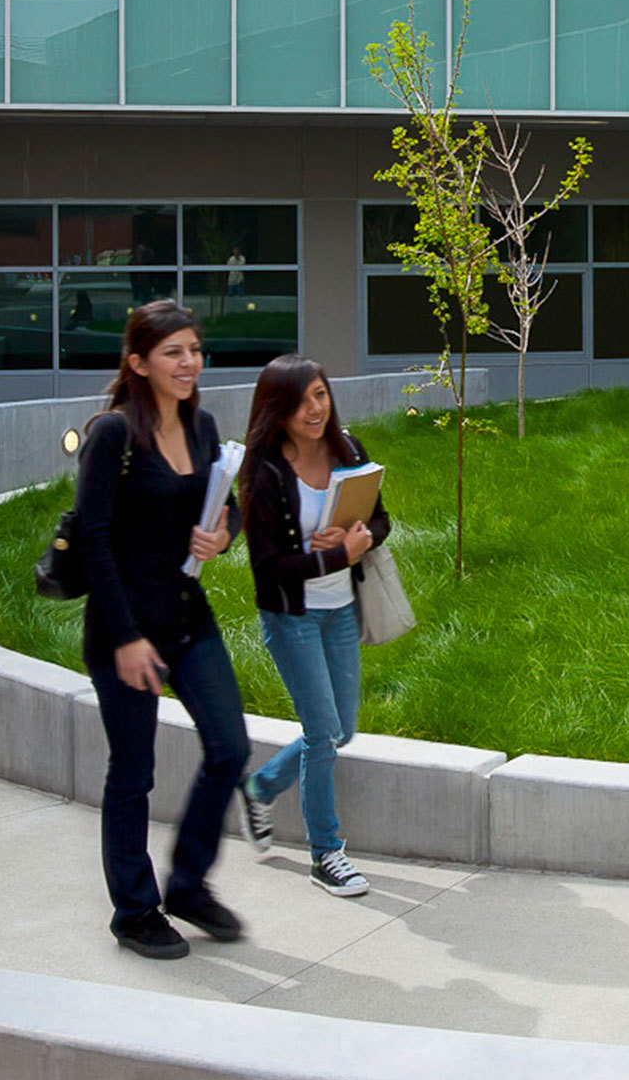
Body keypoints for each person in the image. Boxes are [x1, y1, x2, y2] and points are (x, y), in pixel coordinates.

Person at [60, 300, 252, 960]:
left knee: (230, 745)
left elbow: (226, 504)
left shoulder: (203, 427)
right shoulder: (112, 434)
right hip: (126, 626)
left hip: (186, 613)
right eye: (173, 352)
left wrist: (224, 531)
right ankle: (135, 910)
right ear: (139, 362)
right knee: (132, 770)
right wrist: (125, 638)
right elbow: (94, 540)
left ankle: (189, 882)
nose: (189, 362)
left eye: (194, 349)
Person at [231, 357, 392, 899]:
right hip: (291, 614)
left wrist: (360, 539)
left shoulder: (350, 450)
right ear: (277, 409)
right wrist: (333, 556)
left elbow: (380, 519)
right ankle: (327, 853)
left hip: (341, 611)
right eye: (302, 401)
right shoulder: (266, 473)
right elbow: (269, 567)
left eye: (321, 395)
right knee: (322, 733)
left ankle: (259, 787)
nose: (315, 409)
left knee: (340, 730)